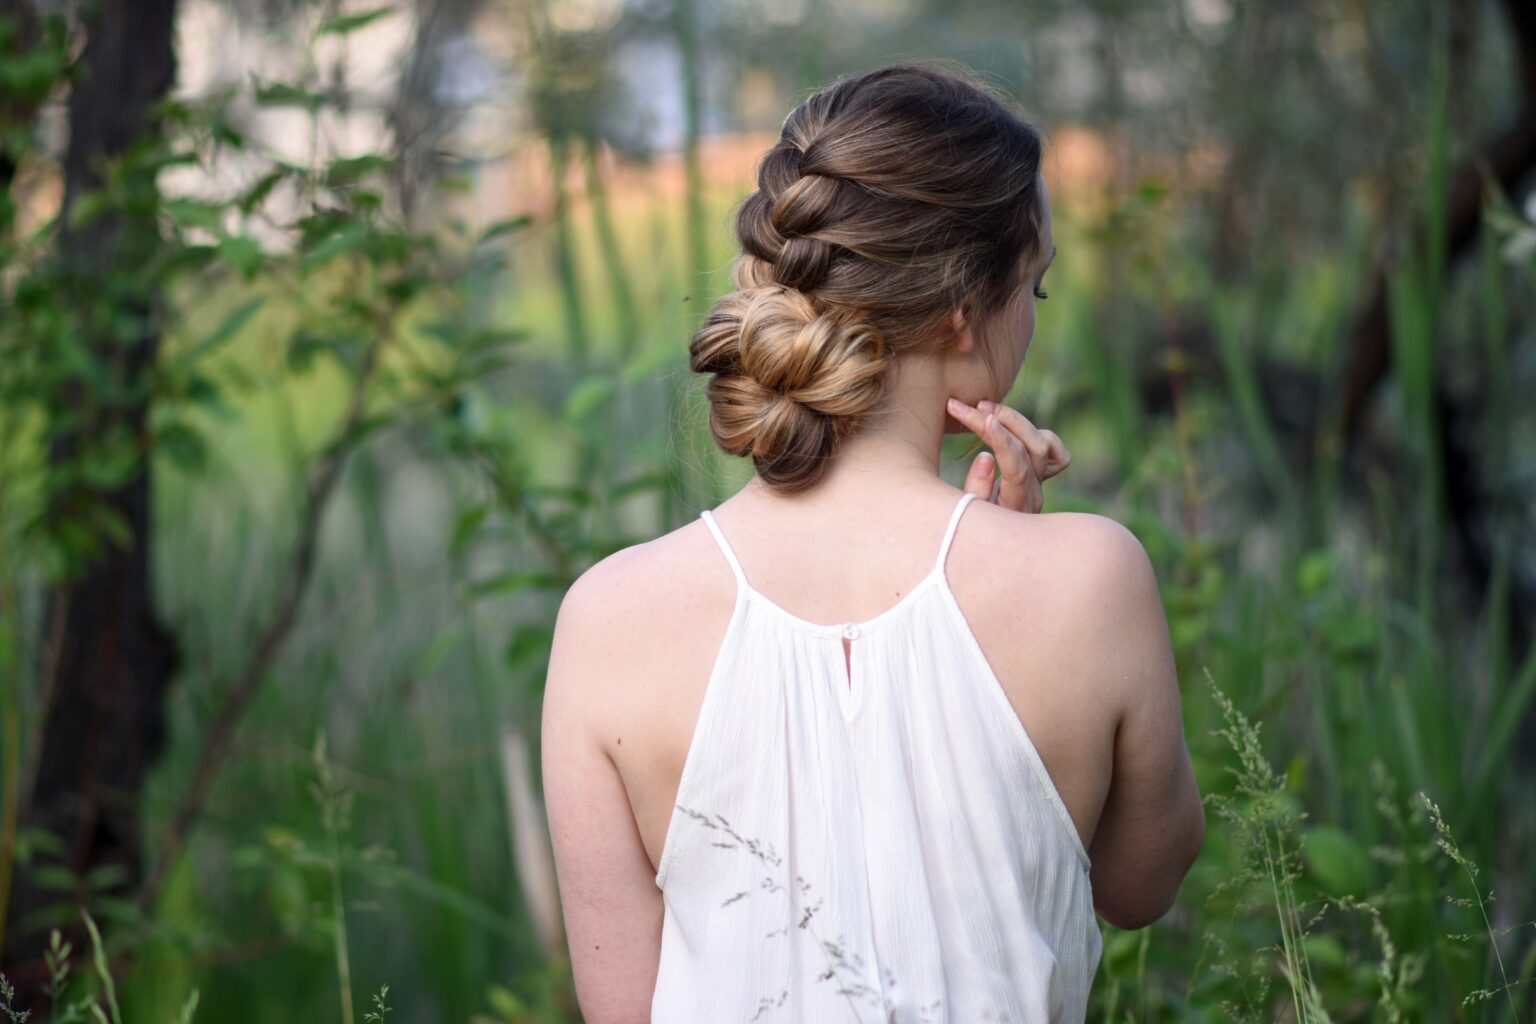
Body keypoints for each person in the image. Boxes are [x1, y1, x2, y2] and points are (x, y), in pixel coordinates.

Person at [541, 60, 1205, 1023]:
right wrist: (1026, 561)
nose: (1031, 323)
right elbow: (1142, 885)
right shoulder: (1091, 579)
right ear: (961, 307)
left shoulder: (607, 619)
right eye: (1035, 290)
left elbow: (620, 1009)